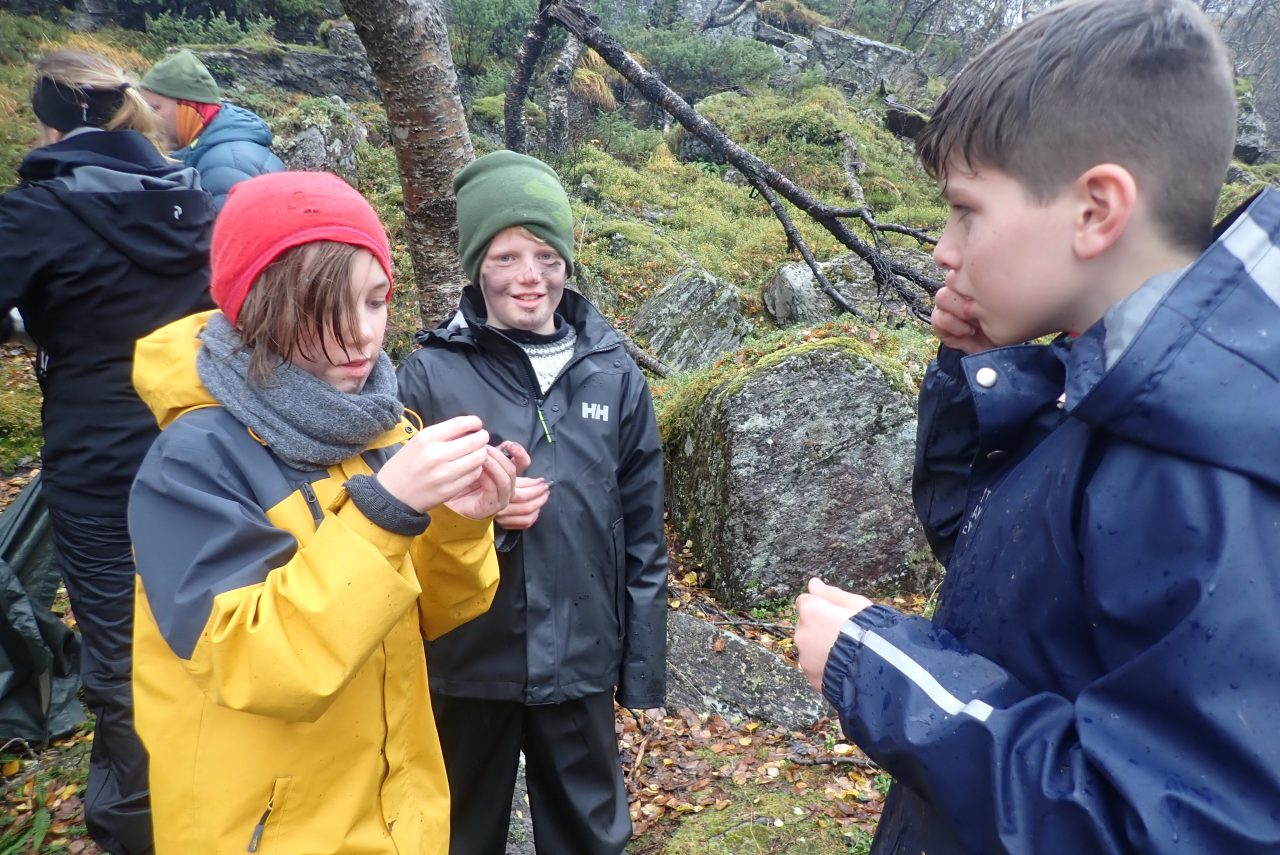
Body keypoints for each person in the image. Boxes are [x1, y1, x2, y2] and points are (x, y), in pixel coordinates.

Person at [793, 1, 1280, 852]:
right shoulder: (1111, 391)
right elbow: (984, 551)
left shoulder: (1194, 470)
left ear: (1095, 210)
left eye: (967, 211)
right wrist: (967, 370)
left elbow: (1172, 825)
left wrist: (890, 675)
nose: (943, 248)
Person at [127, 170, 519, 853]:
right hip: (262, 829)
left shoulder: (379, 425)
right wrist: (387, 509)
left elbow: (434, 612)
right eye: (326, 308)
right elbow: (250, 659)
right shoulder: (192, 459)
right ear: (256, 307)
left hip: (394, 813)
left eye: (376, 301)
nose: (361, 337)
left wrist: (460, 518)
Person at [397, 150, 668, 855]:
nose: (529, 276)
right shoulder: (427, 374)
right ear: (475, 265)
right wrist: (479, 517)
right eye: (507, 254)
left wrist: (639, 671)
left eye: (547, 254)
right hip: (463, 659)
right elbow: (389, 523)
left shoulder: (614, 374)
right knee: (455, 832)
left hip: (580, 657)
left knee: (589, 835)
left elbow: (642, 534)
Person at [0, 49, 216, 854]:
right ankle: (214, 796)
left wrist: (36, 327)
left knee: (120, 645)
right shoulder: (191, 197)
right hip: (198, 445)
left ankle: (137, 822)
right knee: (202, 617)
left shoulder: (35, 211)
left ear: (52, 123)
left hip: (97, 462)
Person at [140, 49, 284, 210]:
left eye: (154, 108)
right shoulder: (214, 149)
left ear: (188, 107)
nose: (147, 119)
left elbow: (226, 234)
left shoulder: (227, 165)